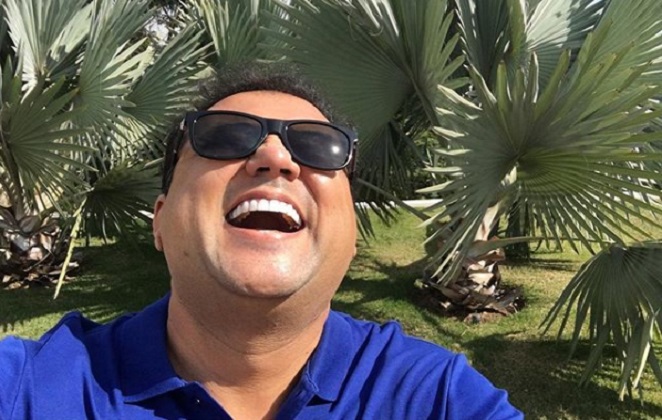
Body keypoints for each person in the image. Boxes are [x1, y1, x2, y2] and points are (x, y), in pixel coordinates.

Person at [0, 63, 523, 419]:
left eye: (319, 146)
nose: (276, 157)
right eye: (224, 136)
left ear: (350, 237)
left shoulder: (436, 398)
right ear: (160, 221)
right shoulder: (26, 387)